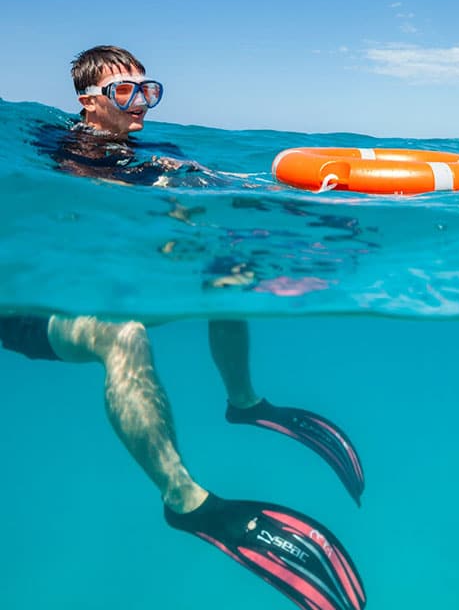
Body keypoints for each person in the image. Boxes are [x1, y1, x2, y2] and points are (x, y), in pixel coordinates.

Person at [0, 46, 366, 610]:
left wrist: (289, 206)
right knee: (121, 336)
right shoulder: (64, 150)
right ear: (89, 104)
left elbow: (195, 209)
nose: (142, 103)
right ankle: (186, 502)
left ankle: (244, 403)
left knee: (228, 280)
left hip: (113, 287)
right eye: (127, 93)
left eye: (149, 91)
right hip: (27, 310)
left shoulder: (151, 152)